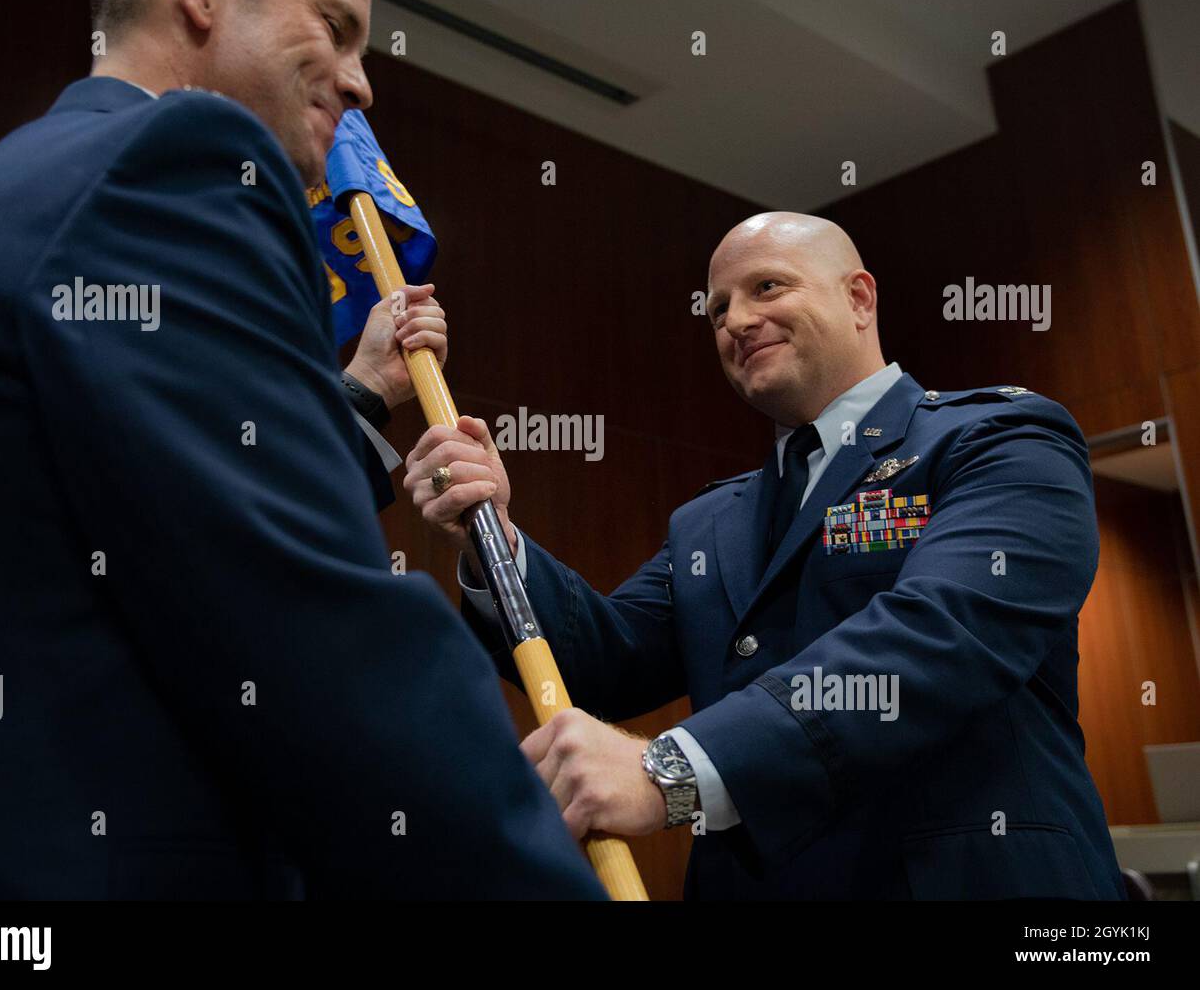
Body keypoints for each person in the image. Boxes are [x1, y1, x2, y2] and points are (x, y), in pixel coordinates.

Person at [0, 0, 604, 900]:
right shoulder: (177, 160)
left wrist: (348, 392)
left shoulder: (35, 177)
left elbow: (169, 516)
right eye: (335, 27)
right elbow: (322, 637)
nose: (362, 85)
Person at [404, 211, 1125, 900]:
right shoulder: (710, 520)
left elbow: (946, 633)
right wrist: (492, 534)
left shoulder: (998, 438)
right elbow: (602, 661)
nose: (737, 322)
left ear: (859, 297)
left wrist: (674, 769)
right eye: (717, 311)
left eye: (767, 287)